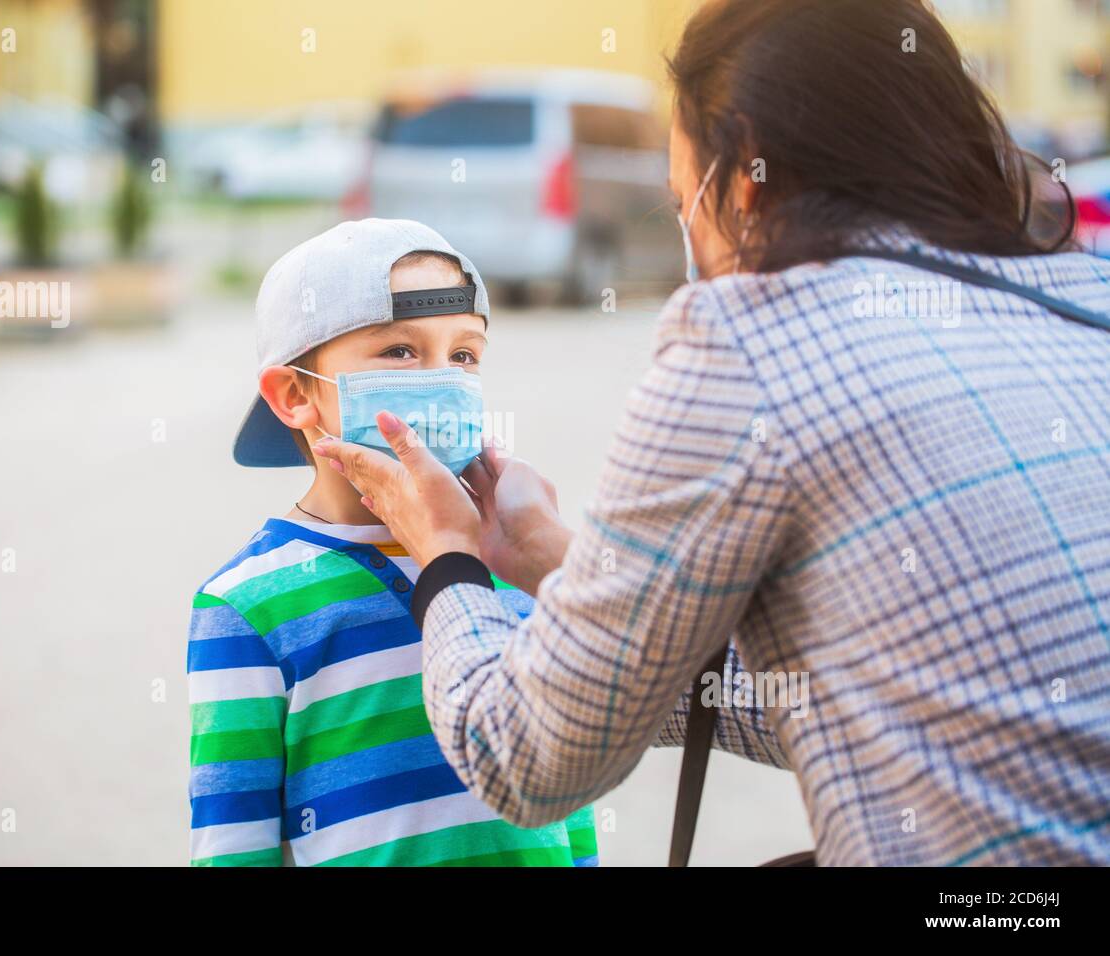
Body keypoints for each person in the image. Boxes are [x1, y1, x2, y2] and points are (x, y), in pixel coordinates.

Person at [310, 0, 1110, 866]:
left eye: (680, 199)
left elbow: (522, 763)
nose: (688, 232)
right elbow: (864, 704)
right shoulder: (1088, 294)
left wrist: (449, 562)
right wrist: (556, 561)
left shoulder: (748, 336)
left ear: (741, 180)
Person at [186, 218, 598, 866]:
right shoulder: (246, 604)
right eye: (400, 352)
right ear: (295, 394)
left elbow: (569, 791)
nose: (442, 378)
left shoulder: (514, 564)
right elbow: (234, 842)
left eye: (463, 355)